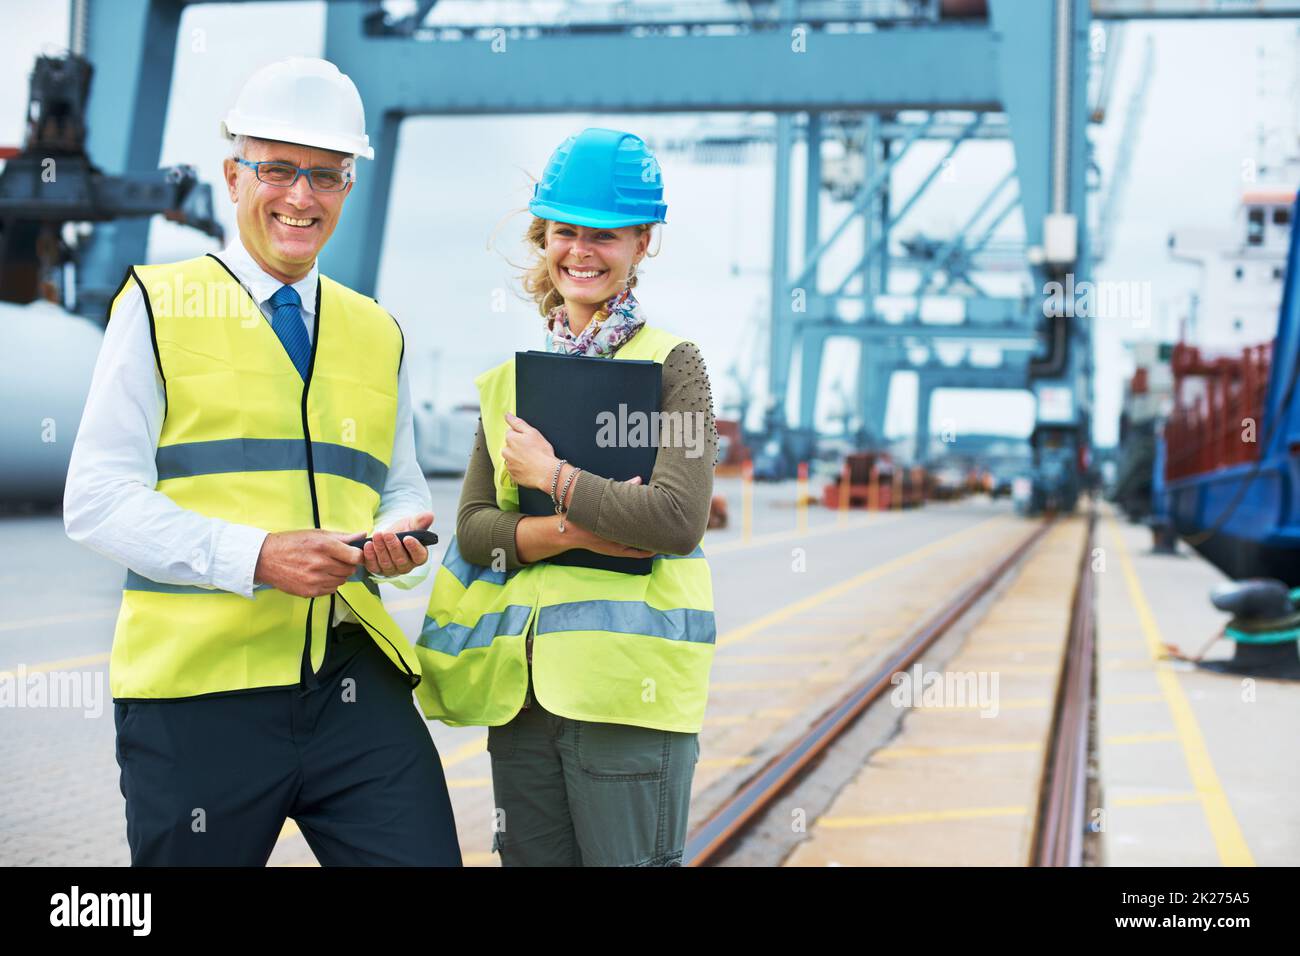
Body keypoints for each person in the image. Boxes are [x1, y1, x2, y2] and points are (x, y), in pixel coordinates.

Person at [63, 57, 460, 866]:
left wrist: (396, 537)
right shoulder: (157, 305)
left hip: (350, 683)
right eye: (278, 169)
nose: (301, 197)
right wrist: (255, 558)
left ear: (348, 187)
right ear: (234, 176)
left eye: (325, 175)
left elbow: (402, 485)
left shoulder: (377, 330)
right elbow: (96, 497)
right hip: (197, 695)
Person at [415, 128, 719, 866]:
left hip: (626, 696)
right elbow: (477, 535)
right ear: (543, 238)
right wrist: (585, 527)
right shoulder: (511, 382)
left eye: (605, 236)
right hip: (519, 696)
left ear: (643, 243)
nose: (580, 251)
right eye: (564, 232)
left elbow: (675, 520)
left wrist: (553, 480)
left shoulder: (675, 366)